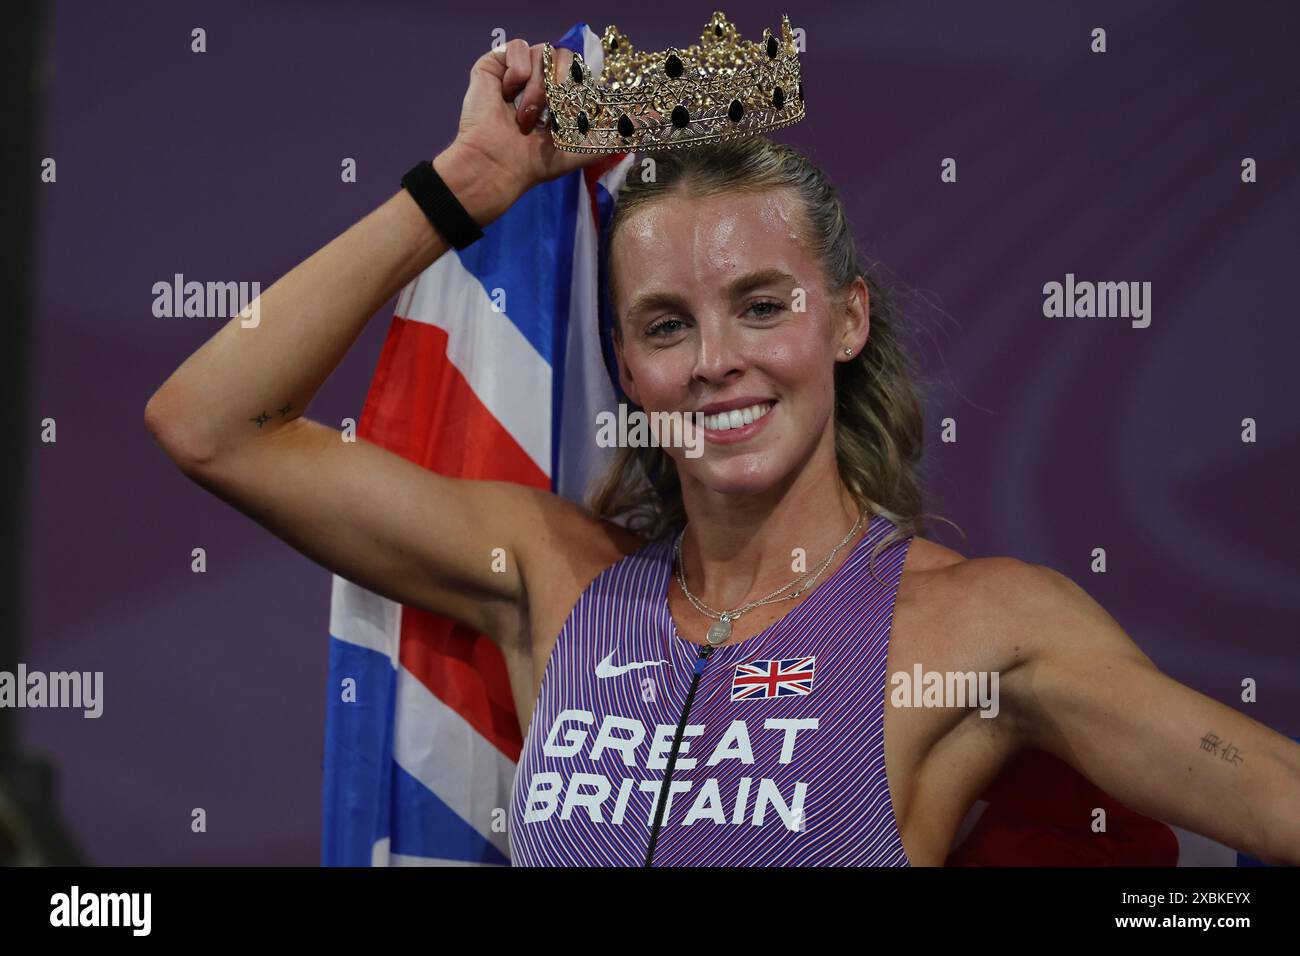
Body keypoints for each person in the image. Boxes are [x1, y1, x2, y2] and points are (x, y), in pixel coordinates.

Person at [144, 38, 1300, 866]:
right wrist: (468, 186)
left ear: (843, 321)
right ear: (628, 364)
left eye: (759, 305)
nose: (713, 362)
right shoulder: (551, 574)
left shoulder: (984, 627)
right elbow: (211, 422)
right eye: (664, 324)